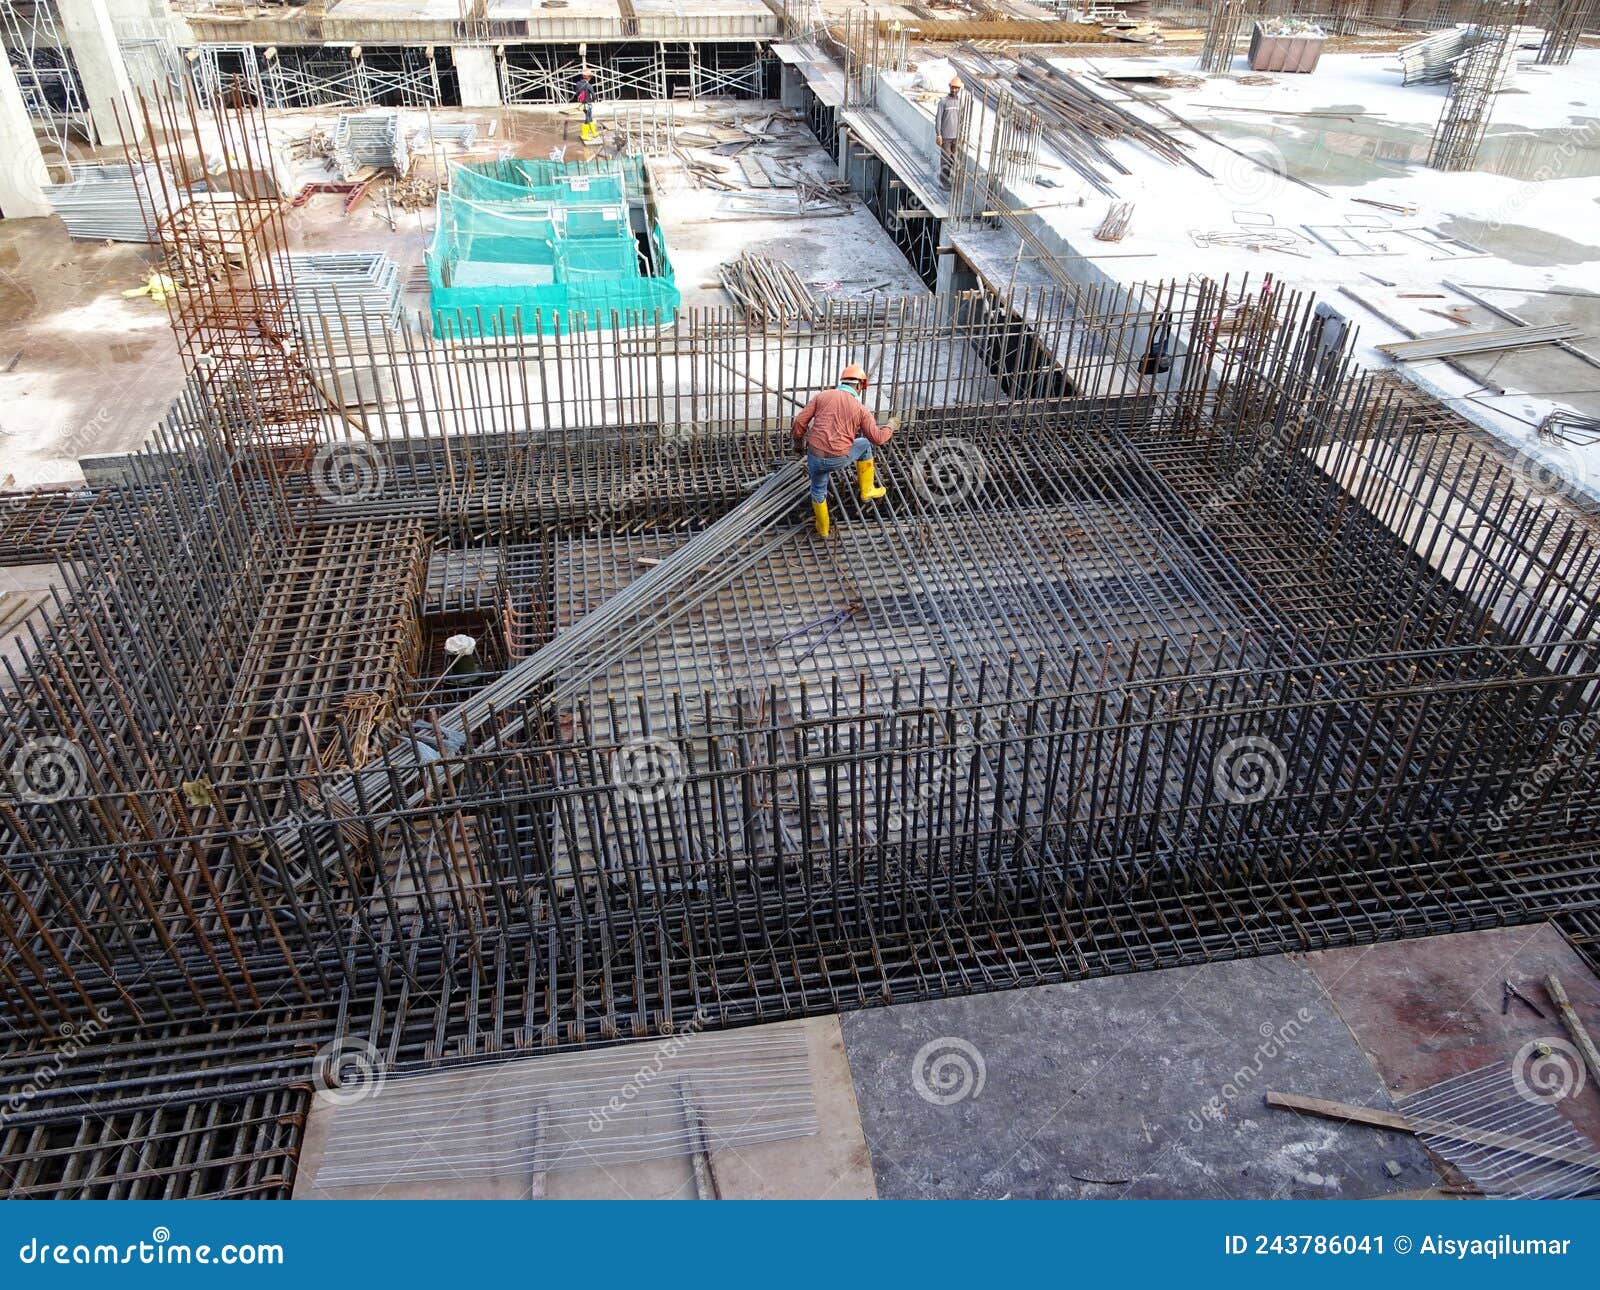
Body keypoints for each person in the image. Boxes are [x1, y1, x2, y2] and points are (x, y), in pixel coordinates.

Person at [791, 364, 896, 538]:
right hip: (838, 458)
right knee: (864, 444)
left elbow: (799, 423)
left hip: (814, 456)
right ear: (859, 386)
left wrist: (798, 445)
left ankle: (823, 529)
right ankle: (867, 489)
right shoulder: (860, 409)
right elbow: (877, 438)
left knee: (817, 490)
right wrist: (890, 426)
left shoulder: (822, 396)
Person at [936, 77, 962, 187]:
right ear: (949, 87)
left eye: (956, 88)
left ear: (959, 89)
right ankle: (943, 181)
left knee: (953, 159)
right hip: (946, 137)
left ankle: (949, 178)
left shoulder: (960, 102)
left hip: (956, 137)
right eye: (953, 87)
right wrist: (939, 134)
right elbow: (938, 118)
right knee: (945, 159)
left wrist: (962, 134)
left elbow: (962, 120)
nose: (954, 90)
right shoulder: (943, 102)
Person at [576, 70, 595, 140]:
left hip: (582, 103)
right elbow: (593, 95)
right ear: (588, 77)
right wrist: (593, 100)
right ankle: (585, 136)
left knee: (590, 117)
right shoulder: (589, 85)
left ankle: (594, 132)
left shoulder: (578, 84)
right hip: (588, 104)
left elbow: (577, 93)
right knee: (587, 118)